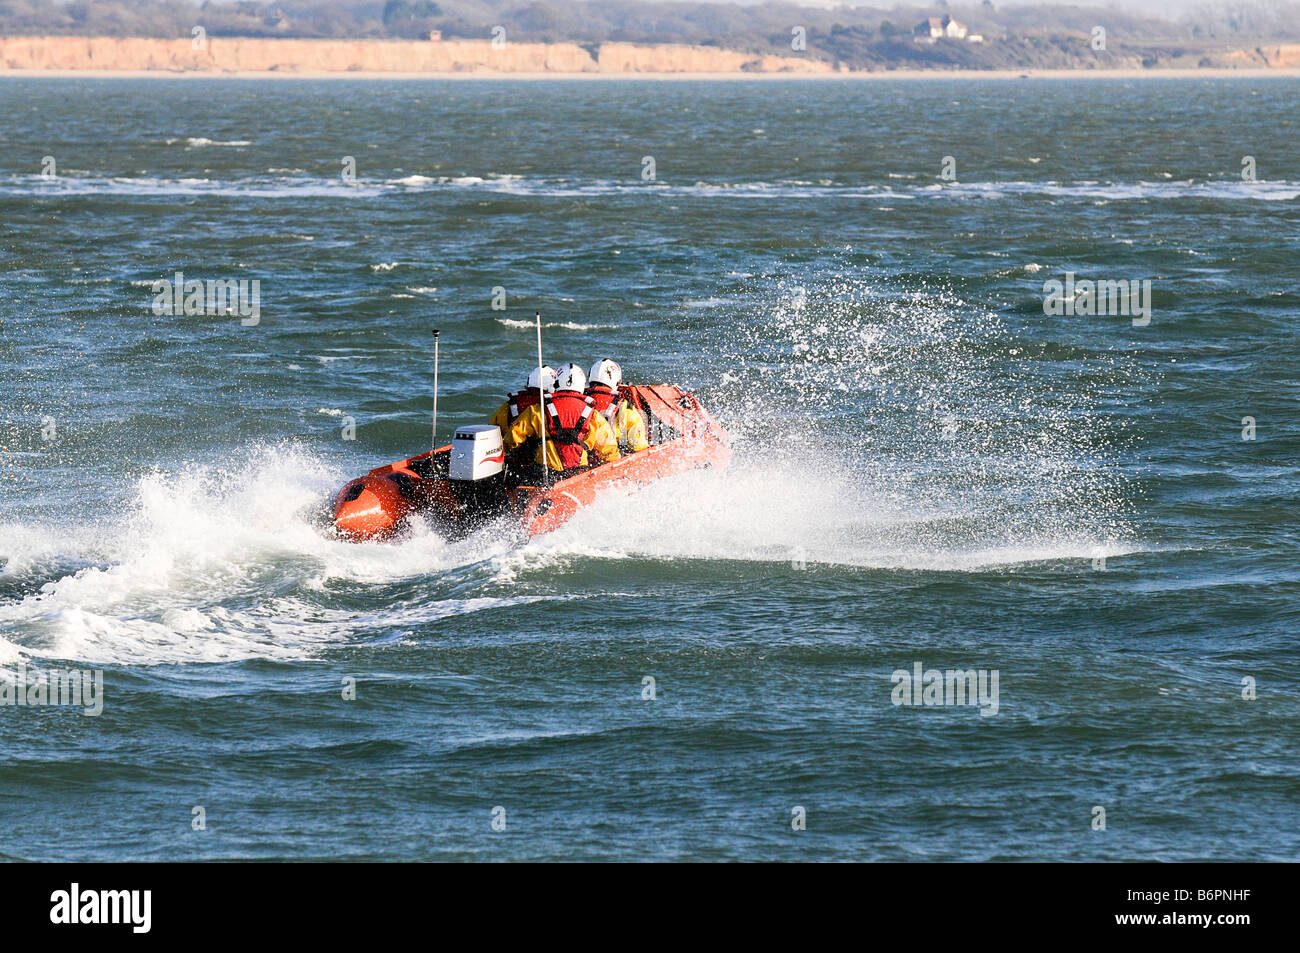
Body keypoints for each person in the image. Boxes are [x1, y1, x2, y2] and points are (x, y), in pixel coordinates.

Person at [503, 363, 619, 478]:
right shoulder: (592, 414)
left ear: (557, 383)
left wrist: (510, 456)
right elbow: (609, 450)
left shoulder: (538, 409)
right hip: (578, 474)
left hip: (545, 473)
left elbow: (512, 438)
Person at [491, 365, 555, 469]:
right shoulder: (548, 408)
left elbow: (493, 430)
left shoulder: (508, 406)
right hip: (540, 465)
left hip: (511, 462)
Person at [586, 358, 649, 453]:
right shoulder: (624, 406)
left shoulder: (580, 402)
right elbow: (638, 445)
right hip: (612, 459)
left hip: (582, 458)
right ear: (616, 381)